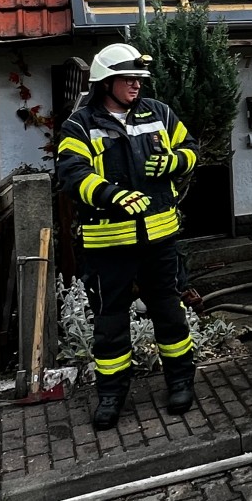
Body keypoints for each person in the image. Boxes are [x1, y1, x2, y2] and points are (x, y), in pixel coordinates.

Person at [55, 42, 200, 429]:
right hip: (108, 245)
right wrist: (111, 195)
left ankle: (181, 382)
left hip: (160, 239)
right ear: (105, 82)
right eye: (128, 78)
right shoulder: (79, 125)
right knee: (110, 324)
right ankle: (111, 395)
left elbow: (191, 148)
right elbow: (71, 174)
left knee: (169, 314)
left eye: (139, 78)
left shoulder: (160, 113)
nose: (136, 85)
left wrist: (175, 160)